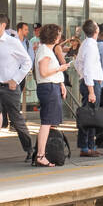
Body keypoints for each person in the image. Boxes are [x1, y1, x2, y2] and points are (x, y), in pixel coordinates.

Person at [0, 13, 34, 163]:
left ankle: (30, 149)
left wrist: (16, 79)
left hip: (10, 88)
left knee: (16, 120)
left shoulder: (13, 42)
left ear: (3, 26)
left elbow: (27, 62)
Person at [33, 24, 70, 167]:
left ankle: (42, 153)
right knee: (46, 122)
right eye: (59, 34)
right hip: (48, 88)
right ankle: (41, 155)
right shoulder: (45, 52)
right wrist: (60, 68)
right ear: (54, 37)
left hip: (50, 86)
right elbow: (43, 72)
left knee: (48, 122)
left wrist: (60, 83)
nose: (60, 37)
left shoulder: (45, 50)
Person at [73, 20, 103, 158]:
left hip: (88, 83)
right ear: (96, 30)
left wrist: (82, 77)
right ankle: (86, 147)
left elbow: (77, 64)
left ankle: (89, 146)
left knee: (91, 115)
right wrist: (91, 90)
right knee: (90, 116)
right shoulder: (90, 46)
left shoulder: (86, 44)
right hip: (91, 84)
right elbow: (87, 69)